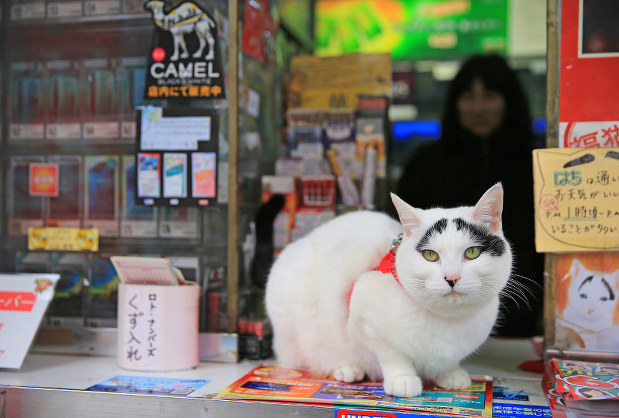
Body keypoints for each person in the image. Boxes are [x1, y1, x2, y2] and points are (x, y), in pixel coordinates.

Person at [394, 53, 544, 338]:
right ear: (454, 103)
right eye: (468, 96)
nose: (478, 108)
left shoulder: (535, 163)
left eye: (489, 95)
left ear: (509, 101)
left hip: (520, 322)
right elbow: (403, 239)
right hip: (434, 323)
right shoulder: (425, 163)